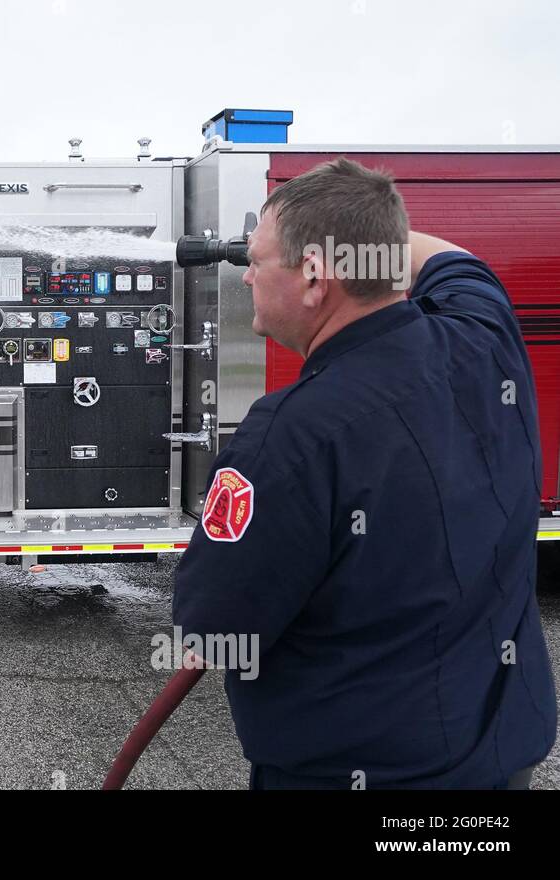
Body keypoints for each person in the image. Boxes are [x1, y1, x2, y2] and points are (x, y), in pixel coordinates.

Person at [172, 157, 557, 789]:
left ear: (316, 278)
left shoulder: (286, 438)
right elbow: (450, 258)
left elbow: (216, 632)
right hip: (504, 760)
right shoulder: (483, 337)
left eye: (256, 260)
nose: (244, 277)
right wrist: (359, 229)